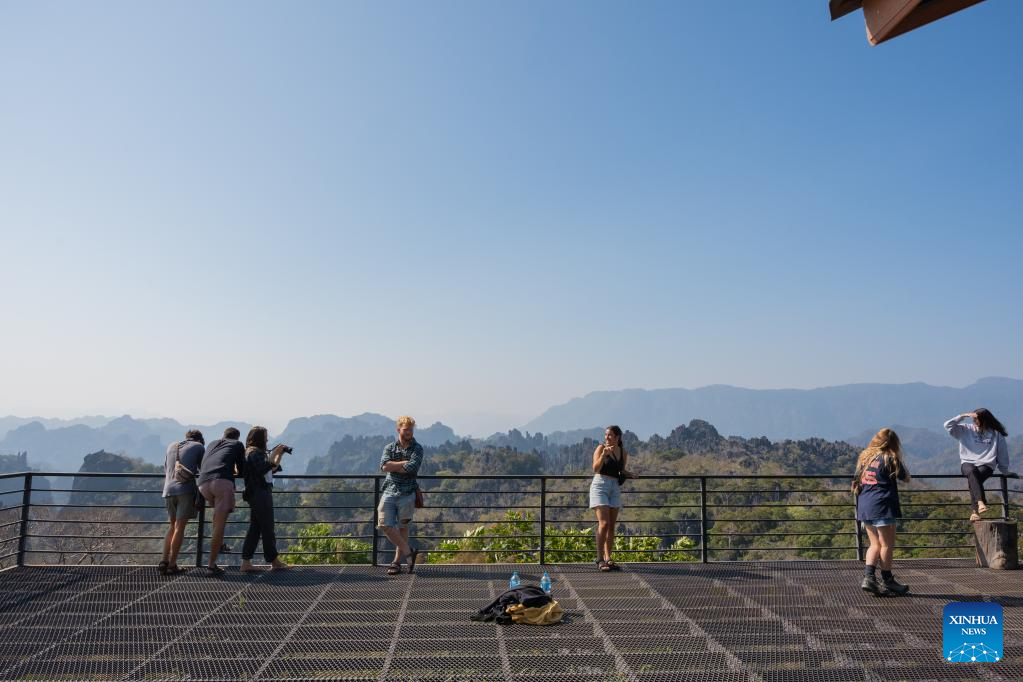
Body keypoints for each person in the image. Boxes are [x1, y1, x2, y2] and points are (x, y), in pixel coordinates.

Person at [853, 428, 911, 596]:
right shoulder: (890, 458)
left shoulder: (864, 457)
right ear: (893, 443)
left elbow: (855, 481)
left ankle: (869, 578)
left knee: (874, 544)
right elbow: (906, 477)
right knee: (886, 545)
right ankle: (888, 580)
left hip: (865, 505)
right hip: (883, 505)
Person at [239, 426, 291, 573]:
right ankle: (274, 562)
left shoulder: (256, 452)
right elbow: (263, 468)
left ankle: (246, 562)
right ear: (259, 438)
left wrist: (280, 454)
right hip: (259, 493)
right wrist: (274, 452)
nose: (267, 440)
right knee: (268, 528)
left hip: (259, 493)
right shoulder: (253, 453)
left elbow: (272, 469)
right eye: (265, 437)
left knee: (255, 529)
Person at [944, 409, 1011, 522]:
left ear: (984, 420)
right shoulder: (966, 429)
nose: (974, 421)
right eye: (973, 419)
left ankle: (975, 512)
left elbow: (1002, 452)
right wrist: (962, 415)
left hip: (987, 465)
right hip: (967, 463)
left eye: (976, 419)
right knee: (972, 473)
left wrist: (1004, 469)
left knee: (974, 479)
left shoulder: (996, 434)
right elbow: (947, 425)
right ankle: (980, 503)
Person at [197, 426, 245, 576]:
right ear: (237, 437)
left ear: (223, 435)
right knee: (220, 524)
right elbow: (242, 469)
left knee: (216, 520)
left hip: (202, 484)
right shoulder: (237, 444)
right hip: (221, 483)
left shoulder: (212, 443)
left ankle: (220, 543)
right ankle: (211, 566)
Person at [378, 415, 423, 575]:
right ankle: (409, 551)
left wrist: (395, 466)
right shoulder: (389, 447)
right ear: (398, 430)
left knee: (403, 527)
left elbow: (412, 468)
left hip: (408, 493)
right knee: (384, 524)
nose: (409, 432)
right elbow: (384, 466)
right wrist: (403, 463)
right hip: (389, 491)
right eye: (406, 429)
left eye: (411, 429)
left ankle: (396, 562)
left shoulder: (417, 449)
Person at [160, 429, 204, 575]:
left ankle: (164, 560)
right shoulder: (199, 447)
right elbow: (203, 470)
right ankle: (172, 565)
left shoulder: (172, 446)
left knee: (172, 526)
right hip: (185, 490)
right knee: (179, 527)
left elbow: (166, 468)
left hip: (168, 490)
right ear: (200, 439)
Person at [589, 425, 632, 572]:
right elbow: (595, 469)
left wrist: (630, 474)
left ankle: (608, 558)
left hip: (614, 487)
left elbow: (621, 470)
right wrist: (603, 455)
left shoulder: (623, 452)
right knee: (604, 523)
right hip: (600, 485)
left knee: (612, 525)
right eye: (606, 435)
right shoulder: (600, 448)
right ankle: (599, 559)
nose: (607, 437)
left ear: (617, 437)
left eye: (610, 435)